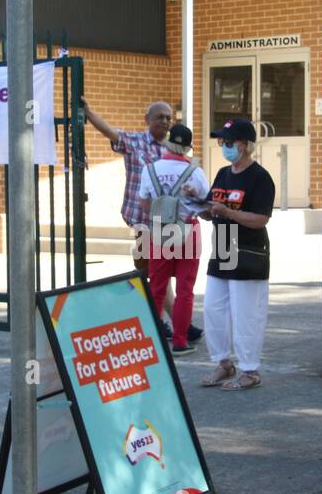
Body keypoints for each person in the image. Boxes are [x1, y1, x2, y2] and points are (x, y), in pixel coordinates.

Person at [83, 96, 202, 345]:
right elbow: (110, 132)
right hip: (141, 223)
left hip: (173, 226)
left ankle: (170, 325)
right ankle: (169, 325)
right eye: (160, 117)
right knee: (149, 272)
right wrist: (90, 113)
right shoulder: (135, 142)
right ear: (147, 120)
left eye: (169, 117)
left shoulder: (173, 149)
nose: (166, 121)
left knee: (160, 277)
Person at [199, 118, 275, 391]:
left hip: (248, 248)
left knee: (246, 313)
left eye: (229, 142)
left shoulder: (260, 177)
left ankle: (249, 369)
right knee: (213, 308)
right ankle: (223, 362)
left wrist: (228, 212)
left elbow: (261, 218)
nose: (224, 147)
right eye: (222, 142)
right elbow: (211, 210)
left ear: (245, 145)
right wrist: (200, 205)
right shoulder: (222, 173)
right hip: (222, 243)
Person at [137, 123, 209, 355]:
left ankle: (153, 342)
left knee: (157, 288)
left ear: (167, 142)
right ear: (188, 147)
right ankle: (180, 341)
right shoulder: (196, 172)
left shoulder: (150, 169)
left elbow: (144, 203)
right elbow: (206, 204)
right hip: (188, 230)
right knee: (185, 290)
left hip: (159, 233)